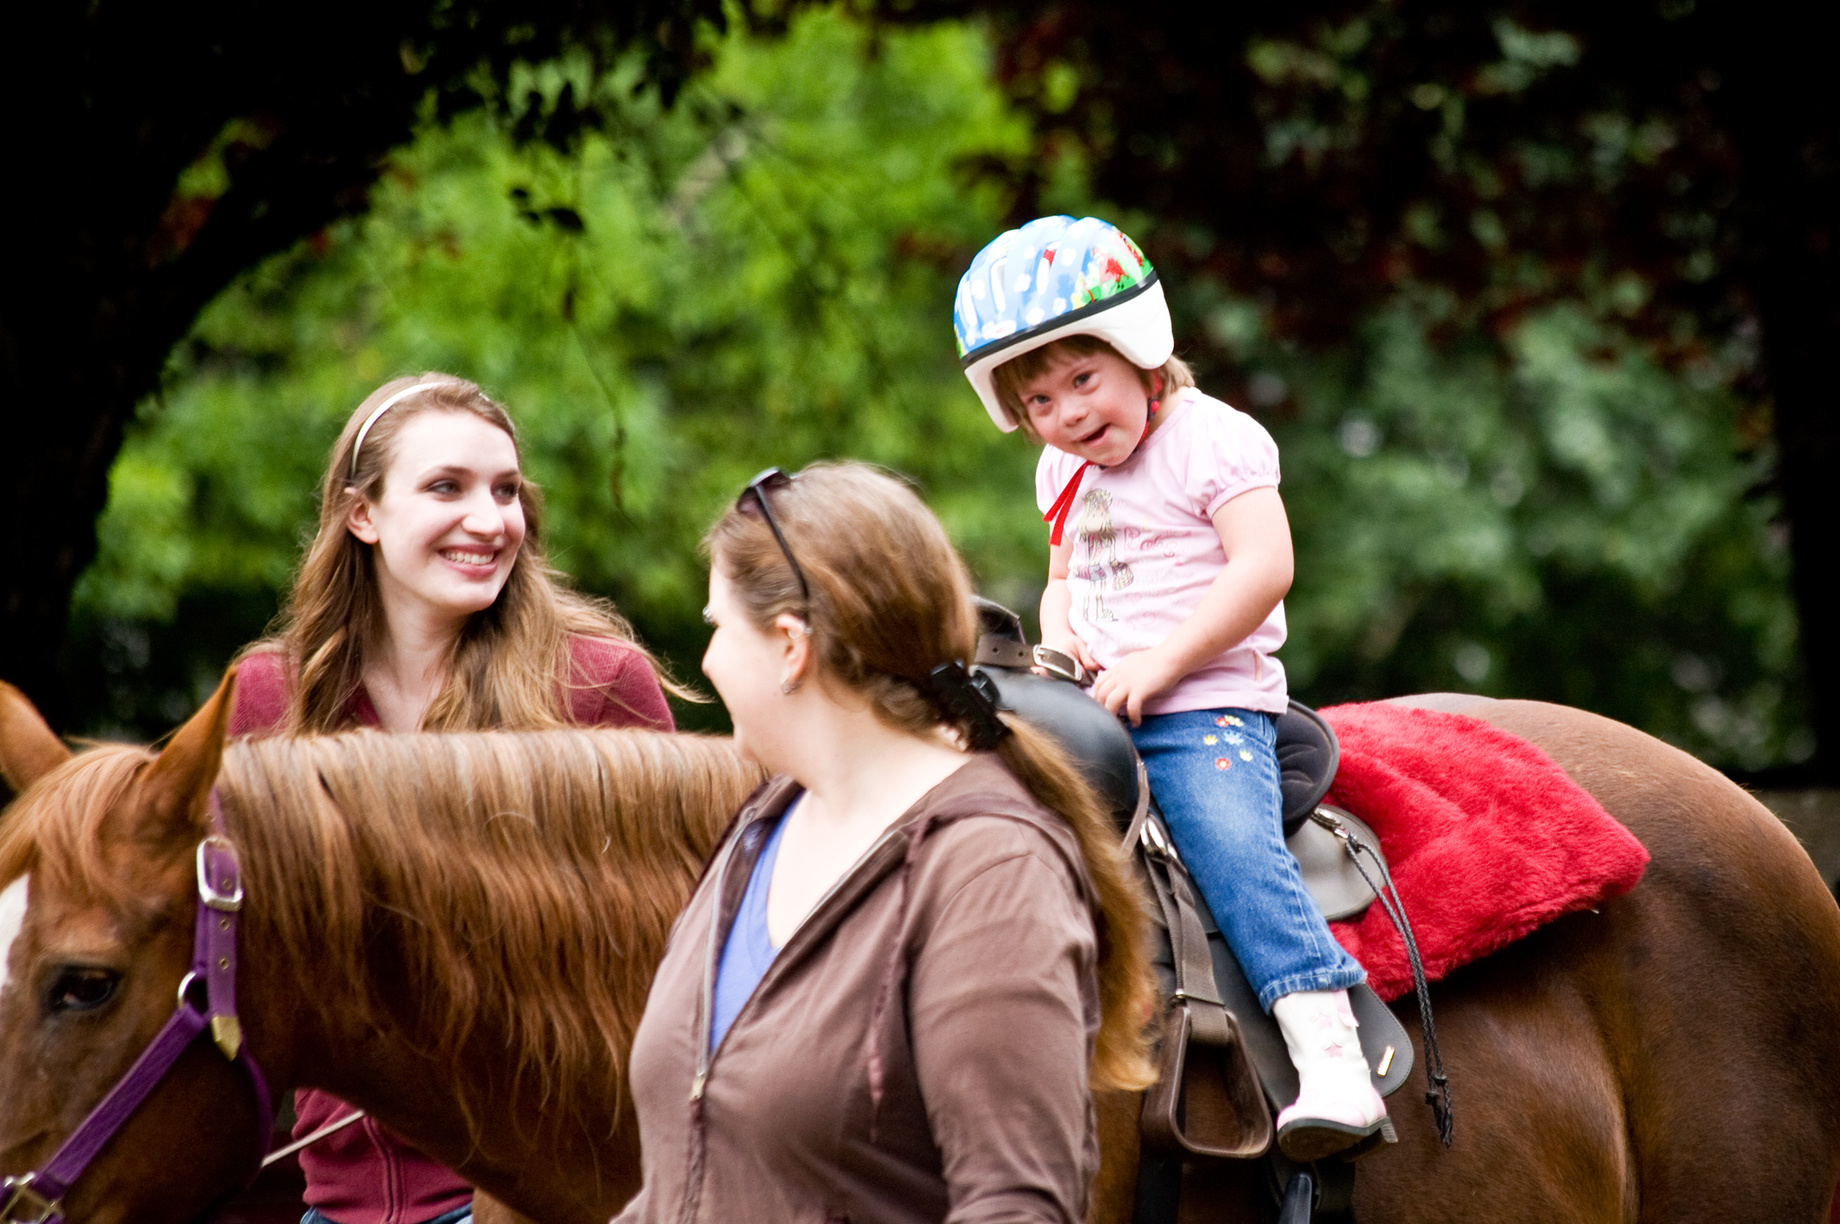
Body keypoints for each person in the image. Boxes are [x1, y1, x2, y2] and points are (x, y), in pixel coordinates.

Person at [613, 463, 1155, 1224]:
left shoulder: (991, 874)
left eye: (716, 628)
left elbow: (1015, 1208)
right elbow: (690, 1180)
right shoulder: (761, 825)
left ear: (790, 645)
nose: (705, 661)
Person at [953, 216, 1387, 1162]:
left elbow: (1264, 564)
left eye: (1082, 379)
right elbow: (1064, 581)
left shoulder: (1211, 439)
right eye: (1037, 400)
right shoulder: (1062, 471)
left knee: (1229, 847)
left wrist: (1164, 661)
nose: (1064, 413)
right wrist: (1060, 648)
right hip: (1099, 710)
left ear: (1144, 355)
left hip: (1204, 708)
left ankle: (1331, 1054)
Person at [228, 374, 679, 1224]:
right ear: (362, 514)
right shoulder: (266, 700)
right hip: (335, 1202)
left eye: (506, 491)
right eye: (447, 487)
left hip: (547, 1192)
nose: (491, 519)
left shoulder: (595, 684)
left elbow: (673, 949)